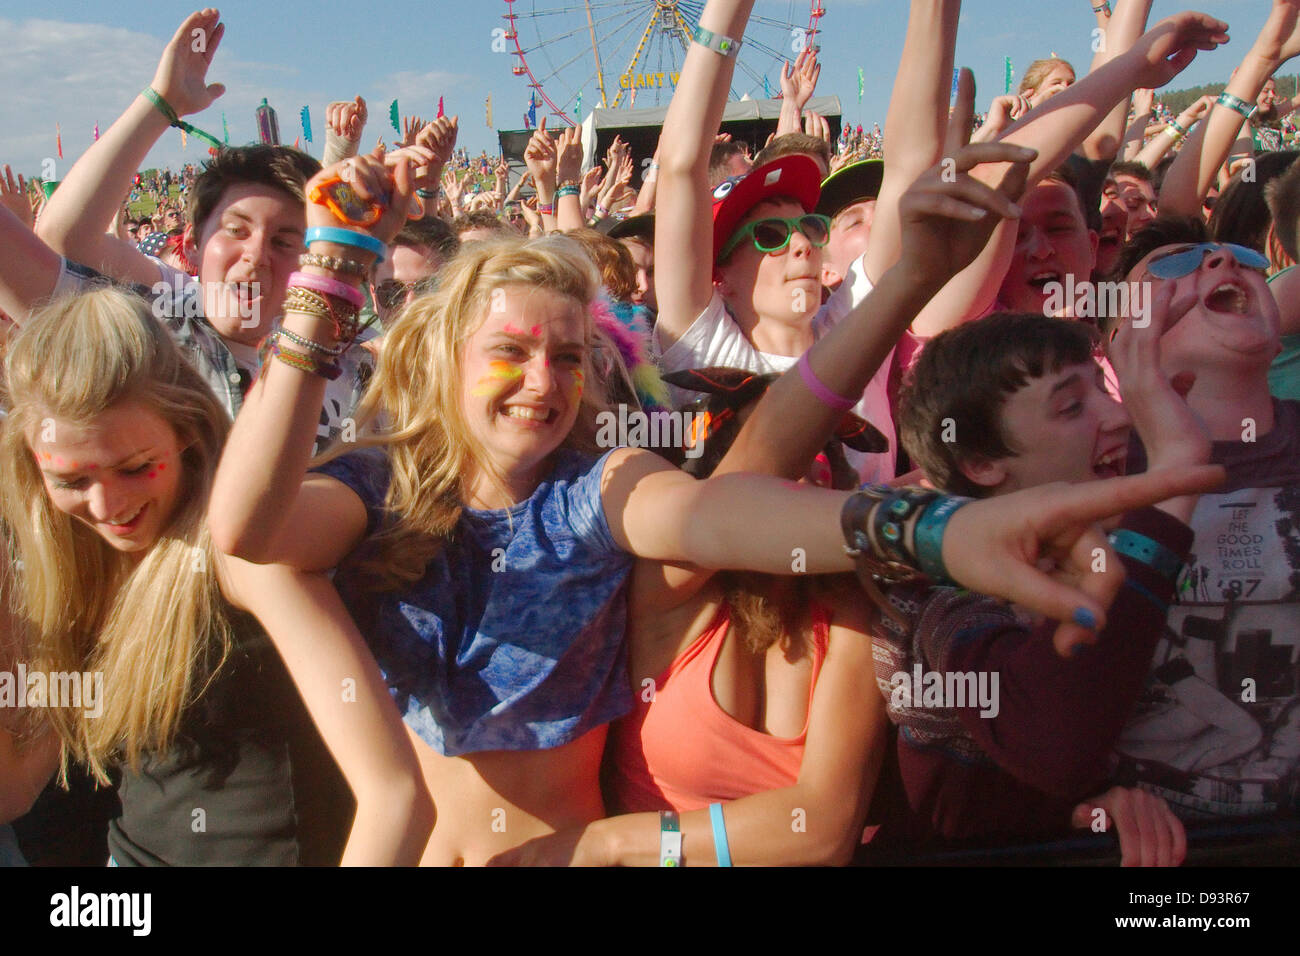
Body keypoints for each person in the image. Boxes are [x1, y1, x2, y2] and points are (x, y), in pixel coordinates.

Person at [207, 144, 1219, 865]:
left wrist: (921, 524)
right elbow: (248, 527)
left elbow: (713, 513)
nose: (541, 381)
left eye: (567, 356)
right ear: (444, 361)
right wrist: (329, 275)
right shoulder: (379, 491)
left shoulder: (597, 489)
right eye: (510, 353)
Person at [0, 287, 432, 865]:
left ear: (185, 430)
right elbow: (15, 786)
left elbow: (397, 798)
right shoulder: (72, 567)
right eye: (72, 482)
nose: (106, 506)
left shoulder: (245, 560)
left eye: (134, 468)